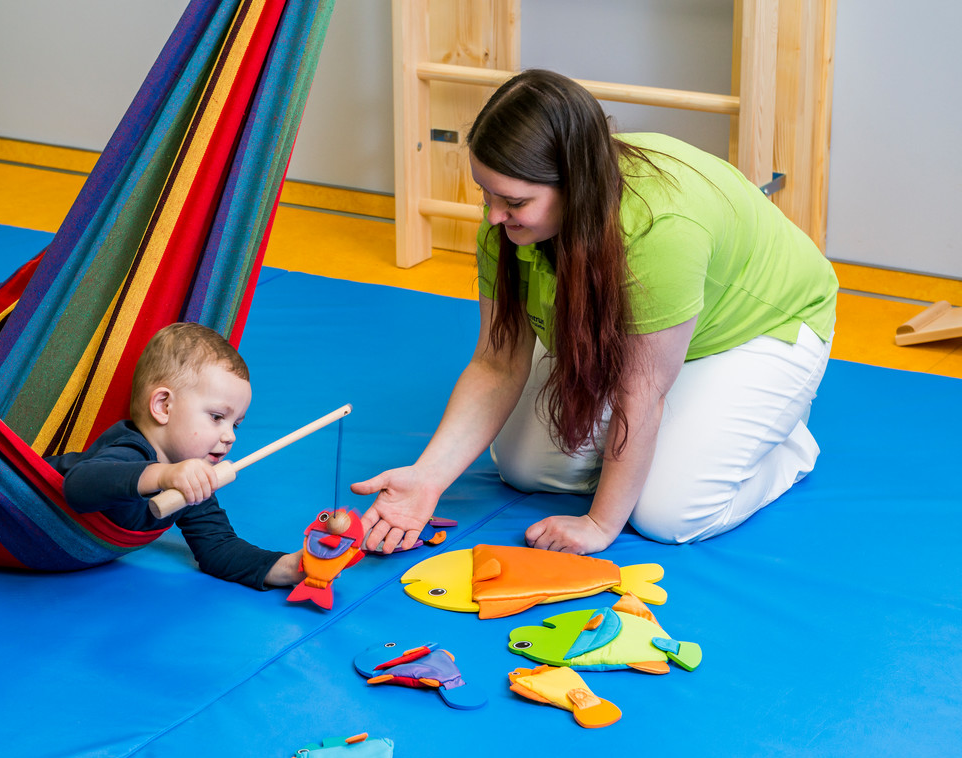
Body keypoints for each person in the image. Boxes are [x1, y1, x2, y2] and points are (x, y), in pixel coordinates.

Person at [354, 69, 837, 556]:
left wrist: (600, 523)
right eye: (486, 192)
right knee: (524, 467)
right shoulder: (509, 222)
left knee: (666, 513)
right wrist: (428, 477)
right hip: (651, 336)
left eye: (514, 201)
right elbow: (496, 363)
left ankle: (784, 443)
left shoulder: (658, 230)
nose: (493, 215)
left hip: (758, 328)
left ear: (575, 186)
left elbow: (640, 392)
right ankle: (695, 427)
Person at [47, 322, 303, 588]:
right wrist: (164, 475)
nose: (230, 436)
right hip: (25, 500)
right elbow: (78, 486)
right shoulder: (129, 450)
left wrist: (289, 567)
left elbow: (218, 547)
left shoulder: (188, 478)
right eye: (217, 417)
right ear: (164, 406)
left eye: (235, 424)